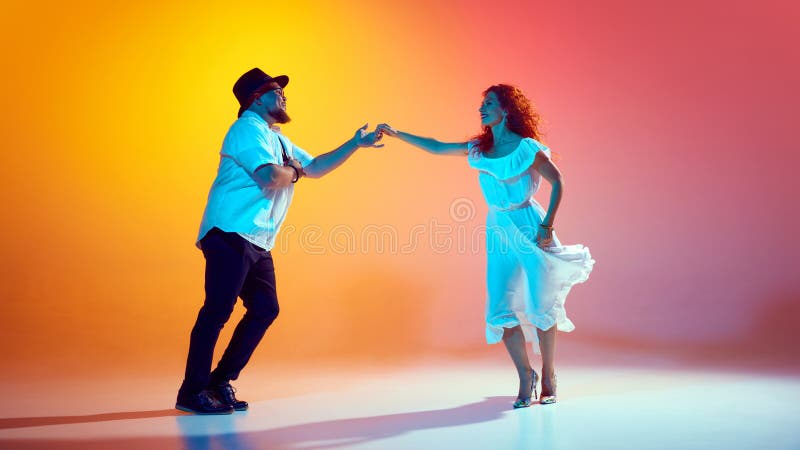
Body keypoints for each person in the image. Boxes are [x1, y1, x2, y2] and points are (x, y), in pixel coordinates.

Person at [177, 68, 383, 414]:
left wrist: (355, 145)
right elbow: (272, 176)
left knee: (265, 309)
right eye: (276, 90)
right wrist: (296, 172)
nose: (284, 95)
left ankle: (219, 381)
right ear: (255, 98)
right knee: (216, 311)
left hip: (256, 237)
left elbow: (314, 166)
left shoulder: (277, 138)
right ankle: (192, 391)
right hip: (230, 231)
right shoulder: (245, 129)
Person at [377, 84, 594, 408]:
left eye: (488, 104)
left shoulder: (526, 147)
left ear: (505, 109)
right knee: (499, 306)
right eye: (481, 104)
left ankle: (549, 375)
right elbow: (437, 147)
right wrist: (396, 133)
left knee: (541, 301)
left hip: (528, 224)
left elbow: (558, 181)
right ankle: (525, 375)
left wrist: (547, 226)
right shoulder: (480, 149)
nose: (481, 109)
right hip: (498, 229)